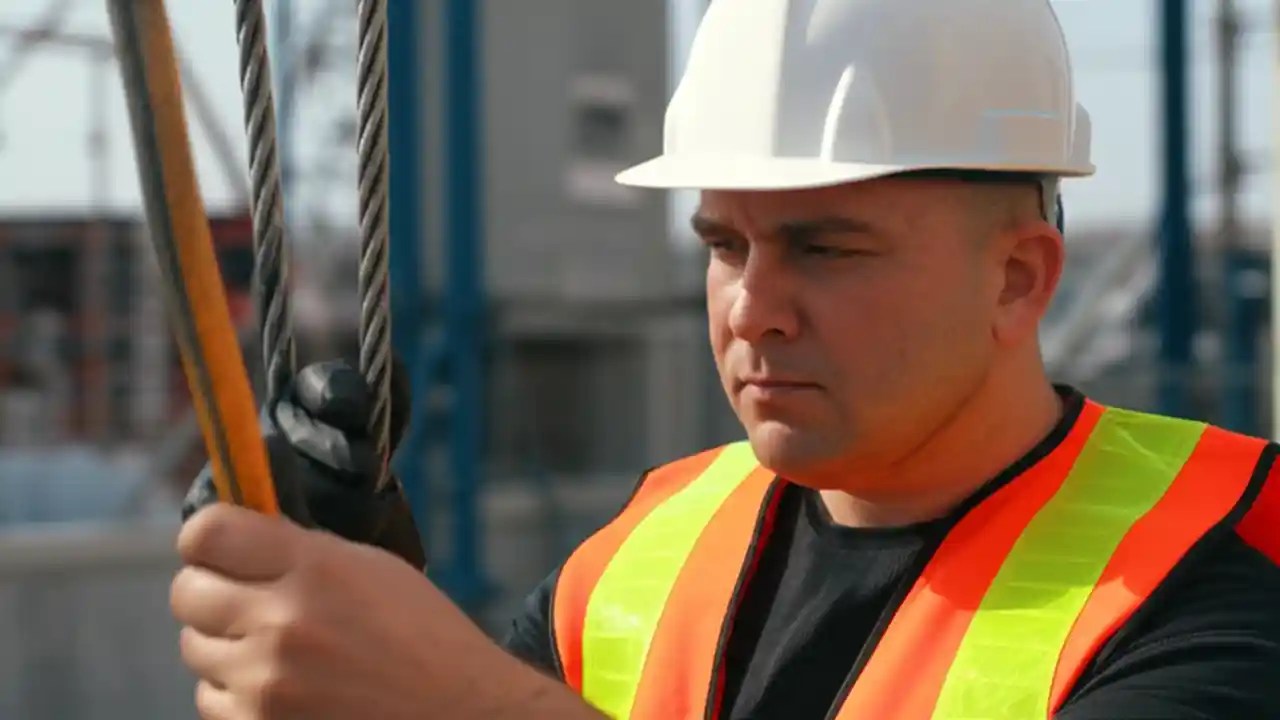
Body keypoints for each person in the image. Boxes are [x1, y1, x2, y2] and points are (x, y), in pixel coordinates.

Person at [174, 0, 1280, 717]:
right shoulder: (638, 560)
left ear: (1017, 278)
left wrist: (456, 700)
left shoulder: (1223, 565)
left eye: (824, 248)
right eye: (723, 245)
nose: (752, 307)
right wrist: (348, 612)